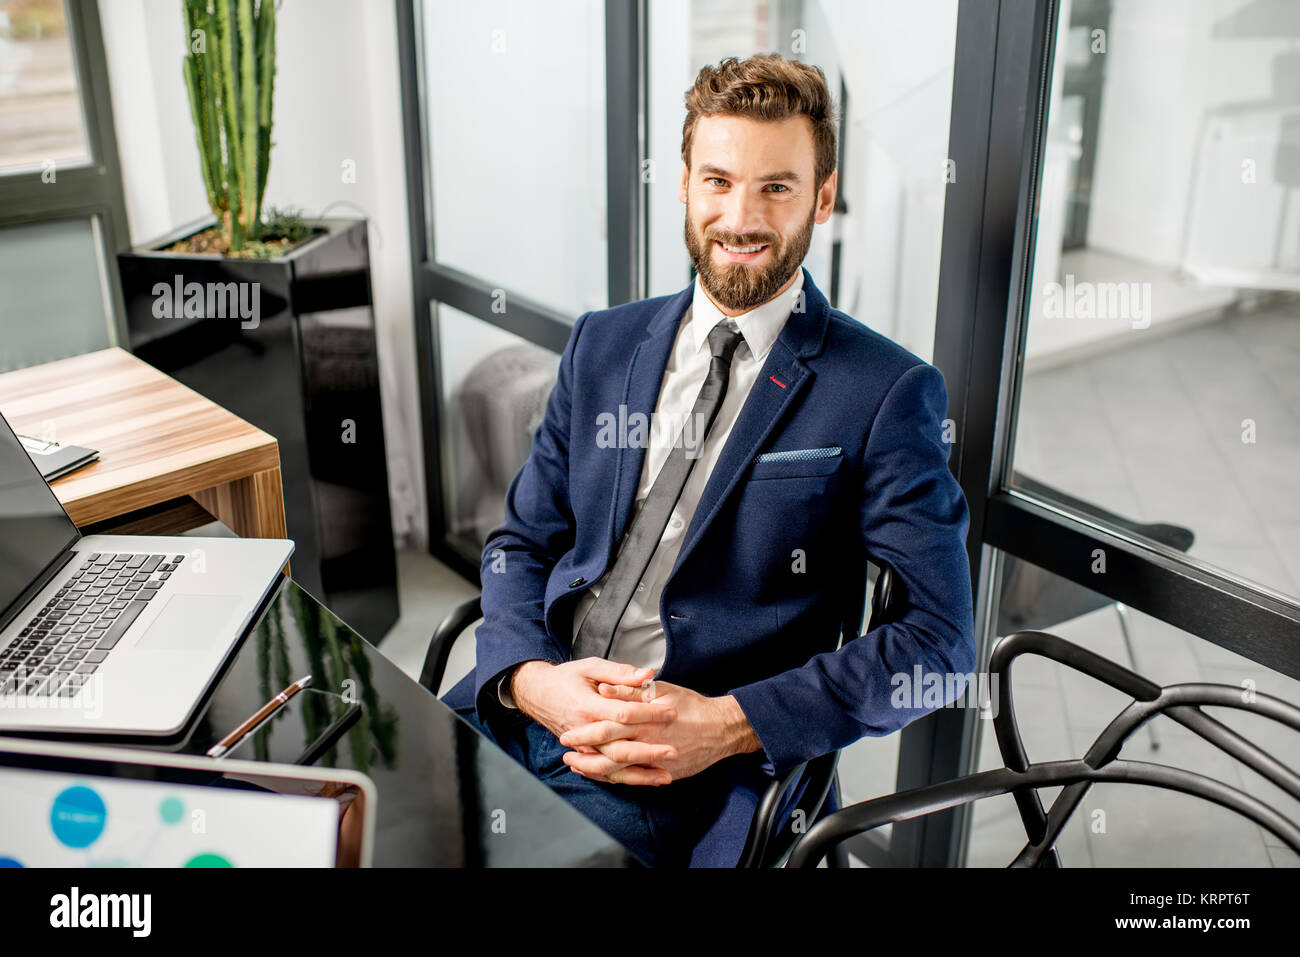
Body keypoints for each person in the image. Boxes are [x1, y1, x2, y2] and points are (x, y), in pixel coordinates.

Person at [441, 53, 976, 867]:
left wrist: (726, 724)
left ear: (822, 197)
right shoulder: (603, 343)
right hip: (531, 700)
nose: (742, 217)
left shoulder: (886, 391)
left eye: (777, 187)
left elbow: (940, 646)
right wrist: (528, 680)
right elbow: (521, 541)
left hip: (686, 771)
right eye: (719, 181)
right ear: (685, 184)